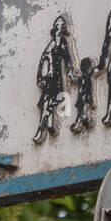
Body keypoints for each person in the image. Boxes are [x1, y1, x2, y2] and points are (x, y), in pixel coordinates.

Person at [33, 15, 76, 143]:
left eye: (61, 26)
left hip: (58, 77)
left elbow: (68, 58)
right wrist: (41, 77)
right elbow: (43, 61)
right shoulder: (51, 43)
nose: (58, 28)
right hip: (50, 78)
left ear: (64, 28)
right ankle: (43, 128)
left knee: (54, 102)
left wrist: (70, 71)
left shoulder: (63, 41)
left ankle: (50, 126)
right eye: (57, 26)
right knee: (46, 102)